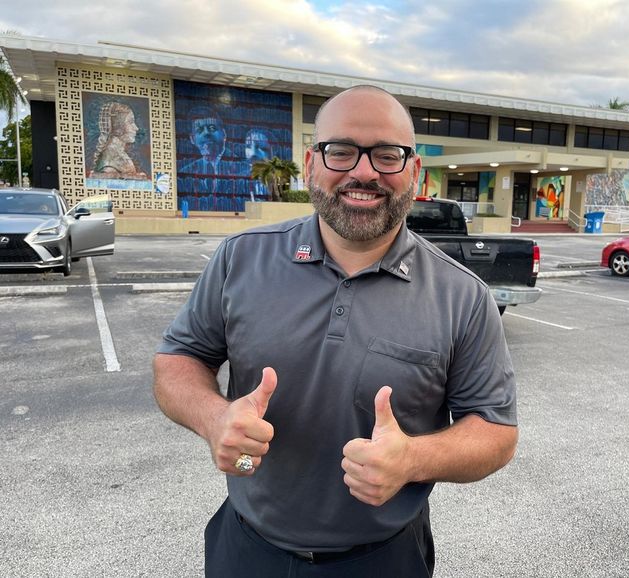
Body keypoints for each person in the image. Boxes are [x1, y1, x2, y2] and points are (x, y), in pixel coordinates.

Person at [153, 85, 518, 577]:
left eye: (387, 155)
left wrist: (412, 458)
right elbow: (179, 359)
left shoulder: (463, 297)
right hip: (246, 549)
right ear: (310, 165)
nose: (363, 171)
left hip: (384, 559)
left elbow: (495, 431)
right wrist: (214, 418)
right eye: (340, 151)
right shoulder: (240, 259)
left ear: (415, 173)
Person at [88, 101, 148, 180]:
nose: (136, 128)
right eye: (131, 122)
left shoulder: (120, 154)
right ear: (117, 126)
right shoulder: (108, 159)